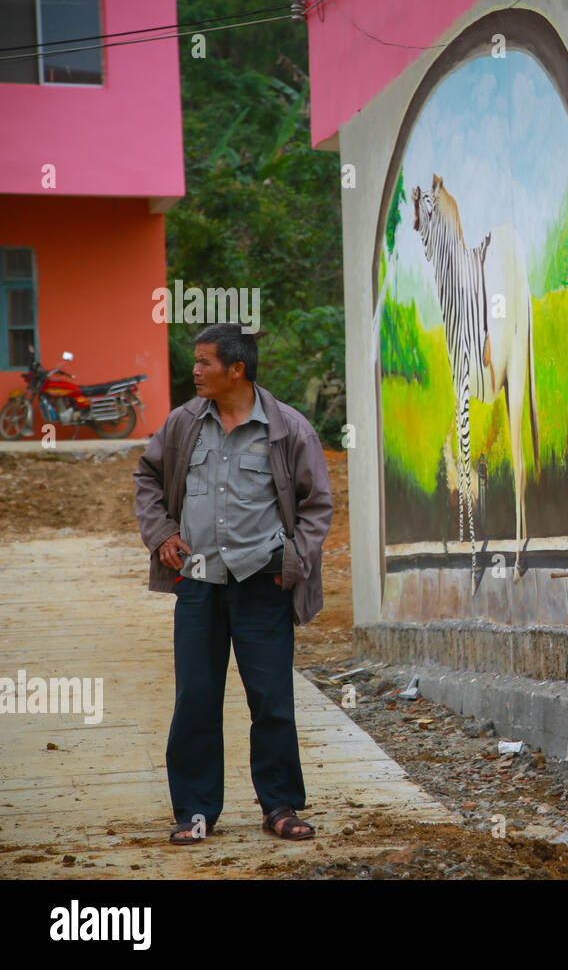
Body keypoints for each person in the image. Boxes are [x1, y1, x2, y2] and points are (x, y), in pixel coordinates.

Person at [133, 323, 333, 844]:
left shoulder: (288, 429)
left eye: (204, 363)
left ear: (236, 370)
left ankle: (280, 805)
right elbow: (147, 478)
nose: (194, 371)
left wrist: (294, 561)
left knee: (271, 698)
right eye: (195, 362)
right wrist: (161, 533)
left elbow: (317, 505)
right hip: (198, 581)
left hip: (263, 581)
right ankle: (194, 811)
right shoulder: (182, 425)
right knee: (196, 697)